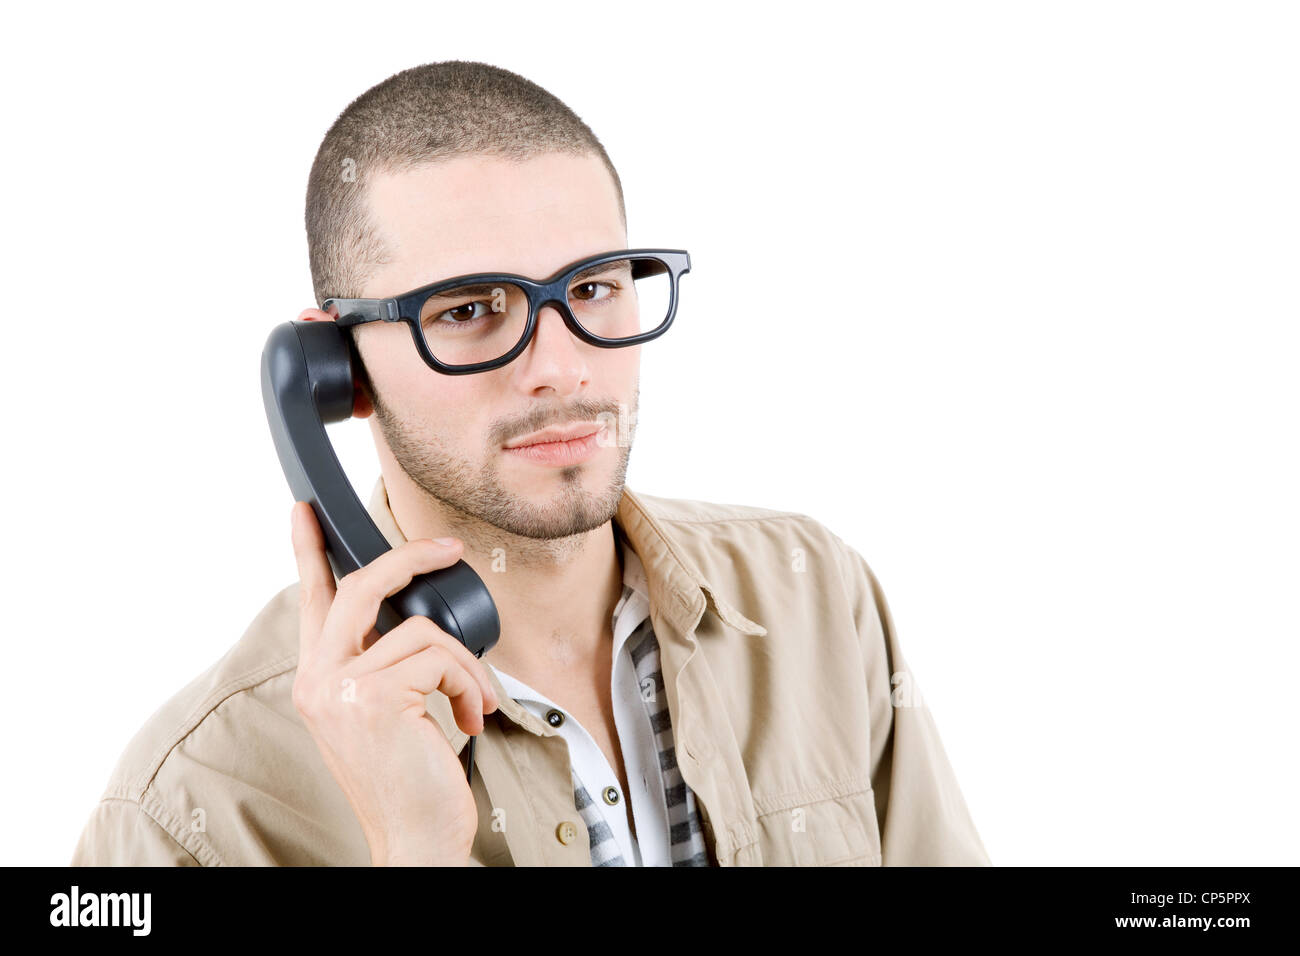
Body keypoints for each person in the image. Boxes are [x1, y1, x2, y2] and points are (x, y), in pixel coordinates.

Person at [71, 60, 990, 867]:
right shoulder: (190, 803)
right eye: (469, 310)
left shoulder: (815, 598)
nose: (560, 368)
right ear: (334, 373)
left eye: (593, 288)